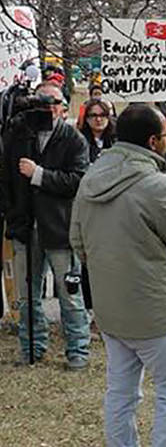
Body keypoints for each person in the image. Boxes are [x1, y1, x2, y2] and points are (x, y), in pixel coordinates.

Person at [69, 104, 166, 446]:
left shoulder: (92, 177)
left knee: (120, 393)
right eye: (165, 136)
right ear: (152, 141)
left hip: (111, 310)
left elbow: (77, 240)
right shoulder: (154, 184)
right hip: (157, 312)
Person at [1, 81, 91, 368]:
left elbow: (77, 180)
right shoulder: (19, 135)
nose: (48, 108)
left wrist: (39, 174)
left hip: (60, 228)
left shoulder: (73, 139)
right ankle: (31, 348)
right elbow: (6, 179)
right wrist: (13, 214)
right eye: (41, 103)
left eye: (53, 102)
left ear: (64, 107)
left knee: (69, 294)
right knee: (28, 296)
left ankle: (77, 350)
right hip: (25, 227)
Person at [77, 98, 115, 314]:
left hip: (111, 205)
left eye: (102, 115)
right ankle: (89, 306)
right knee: (88, 261)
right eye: (94, 115)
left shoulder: (117, 141)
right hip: (89, 204)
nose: (99, 119)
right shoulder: (80, 140)